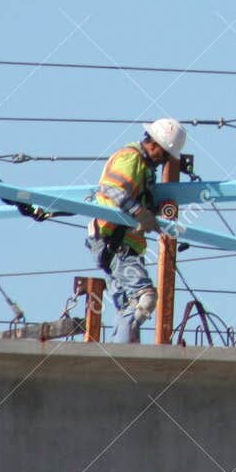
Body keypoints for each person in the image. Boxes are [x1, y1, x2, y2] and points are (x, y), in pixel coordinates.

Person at [85, 118, 187, 343]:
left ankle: (121, 351)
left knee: (128, 305)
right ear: (153, 144)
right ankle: (123, 355)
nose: (165, 160)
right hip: (114, 242)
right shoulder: (131, 158)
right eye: (165, 154)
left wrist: (150, 209)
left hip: (122, 244)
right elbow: (111, 189)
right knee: (145, 297)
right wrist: (139, 212)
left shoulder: (144, 168)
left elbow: (134, 197)